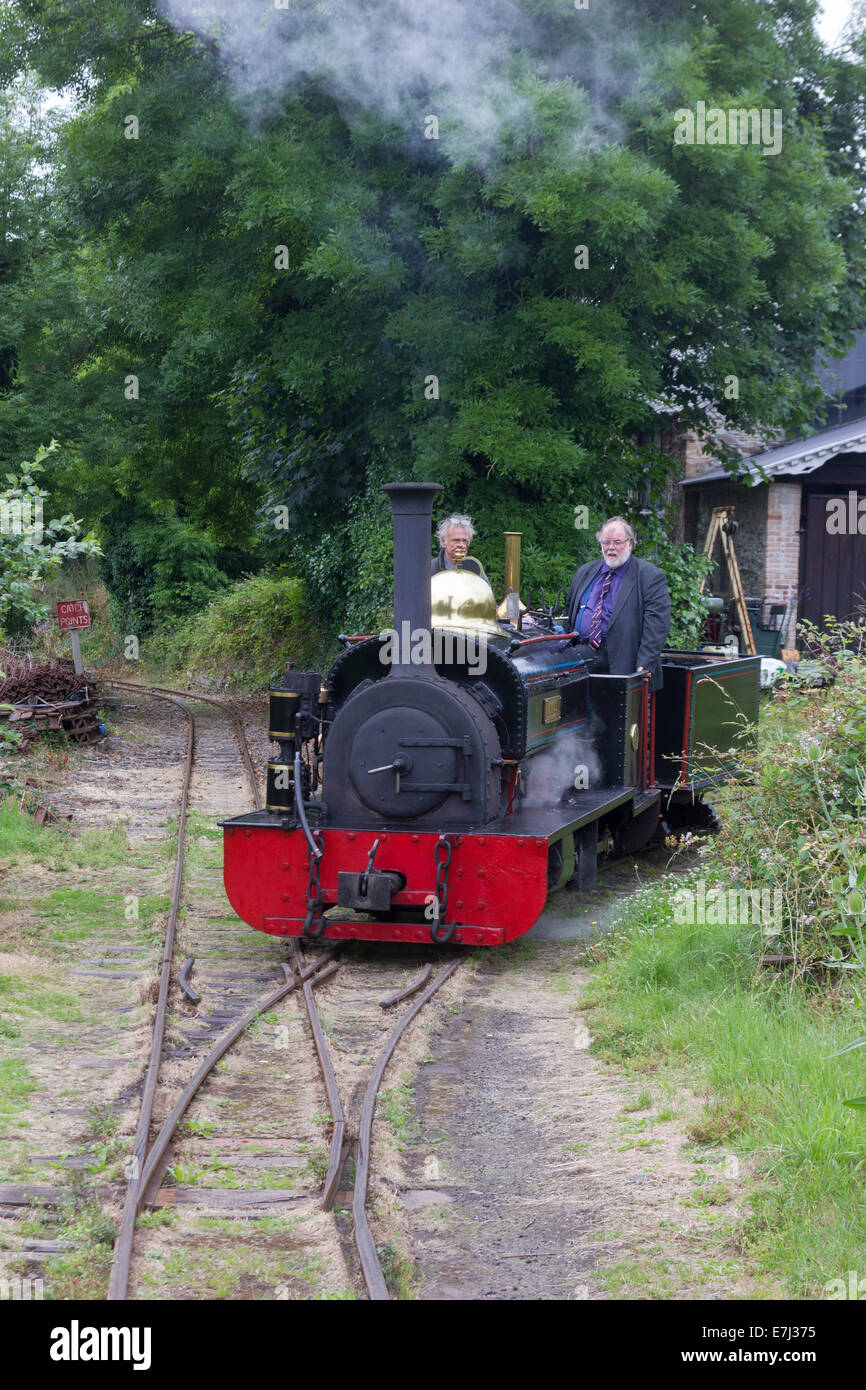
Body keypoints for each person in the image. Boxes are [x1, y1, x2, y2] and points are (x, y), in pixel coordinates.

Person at [565, 517, 670, 691]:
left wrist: (644, 664)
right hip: (582, 657)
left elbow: (657, 626)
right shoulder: (585, 571)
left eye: (617, 542)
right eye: (606, 542)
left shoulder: (650, 576)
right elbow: (569, 614)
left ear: (630, 544)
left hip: (625, 663)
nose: (610, 548)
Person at [431, 514, 489, 581]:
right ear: (443, 541)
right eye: (456, 540)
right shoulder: (430, 569)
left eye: (465, 541)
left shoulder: (474, 567)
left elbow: (486, 590)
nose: (461, 545)